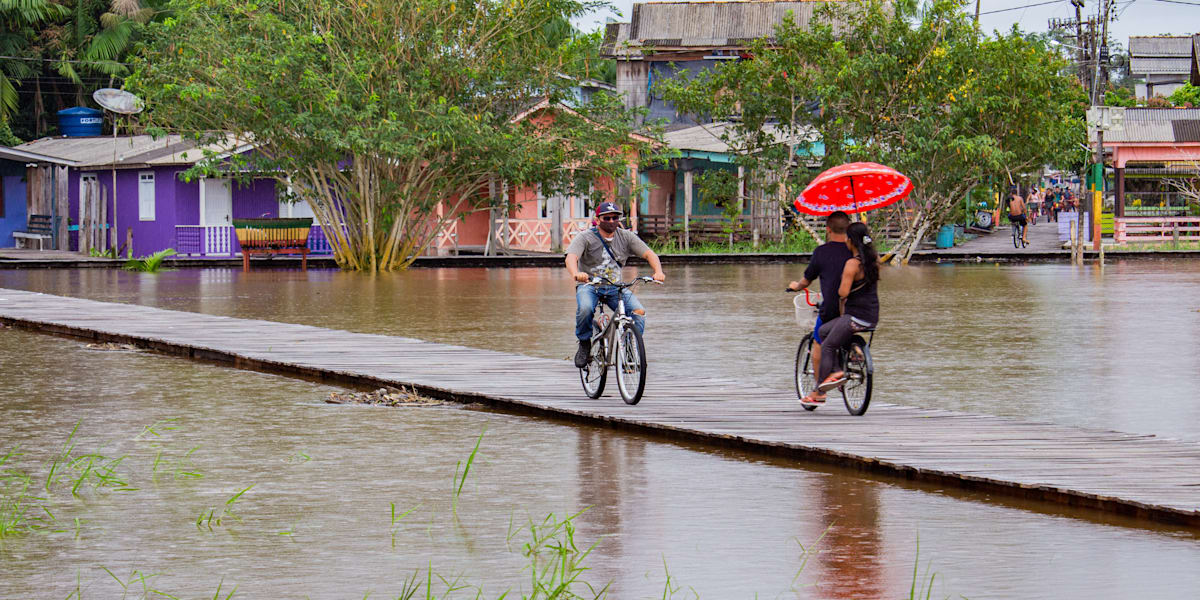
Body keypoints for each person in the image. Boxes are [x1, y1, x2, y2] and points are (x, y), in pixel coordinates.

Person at [565, 201, 666, 368]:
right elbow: (571, 257)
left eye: (615, 218)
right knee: (585, 309)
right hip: (589, 285)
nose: (611, 221)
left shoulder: (626, 236)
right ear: (598, 219)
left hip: (615, 287)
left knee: (638, 311)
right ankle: (584, 343)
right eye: (607, 218)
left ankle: (629, 349)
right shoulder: (585, 237)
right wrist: (576, 273)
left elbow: (650, 254)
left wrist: (658, 271)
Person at [810, 221, 881, 403]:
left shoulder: (852, 264)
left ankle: (827, 380)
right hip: (871, 317)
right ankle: (849, 356)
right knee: (824, 331)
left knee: (827, 345)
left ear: (850, 241)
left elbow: (843, 293)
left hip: (854, 317)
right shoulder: (874, 261)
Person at [787, 210, 853, 403]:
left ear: (828, 229)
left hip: (832, 308)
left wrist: (795, 286)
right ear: (848, 229)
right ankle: (855, 354)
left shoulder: (821, 252)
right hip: (856, 308)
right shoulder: (856, 252)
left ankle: (819, 390)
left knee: (818, 341)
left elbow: (805, 281)